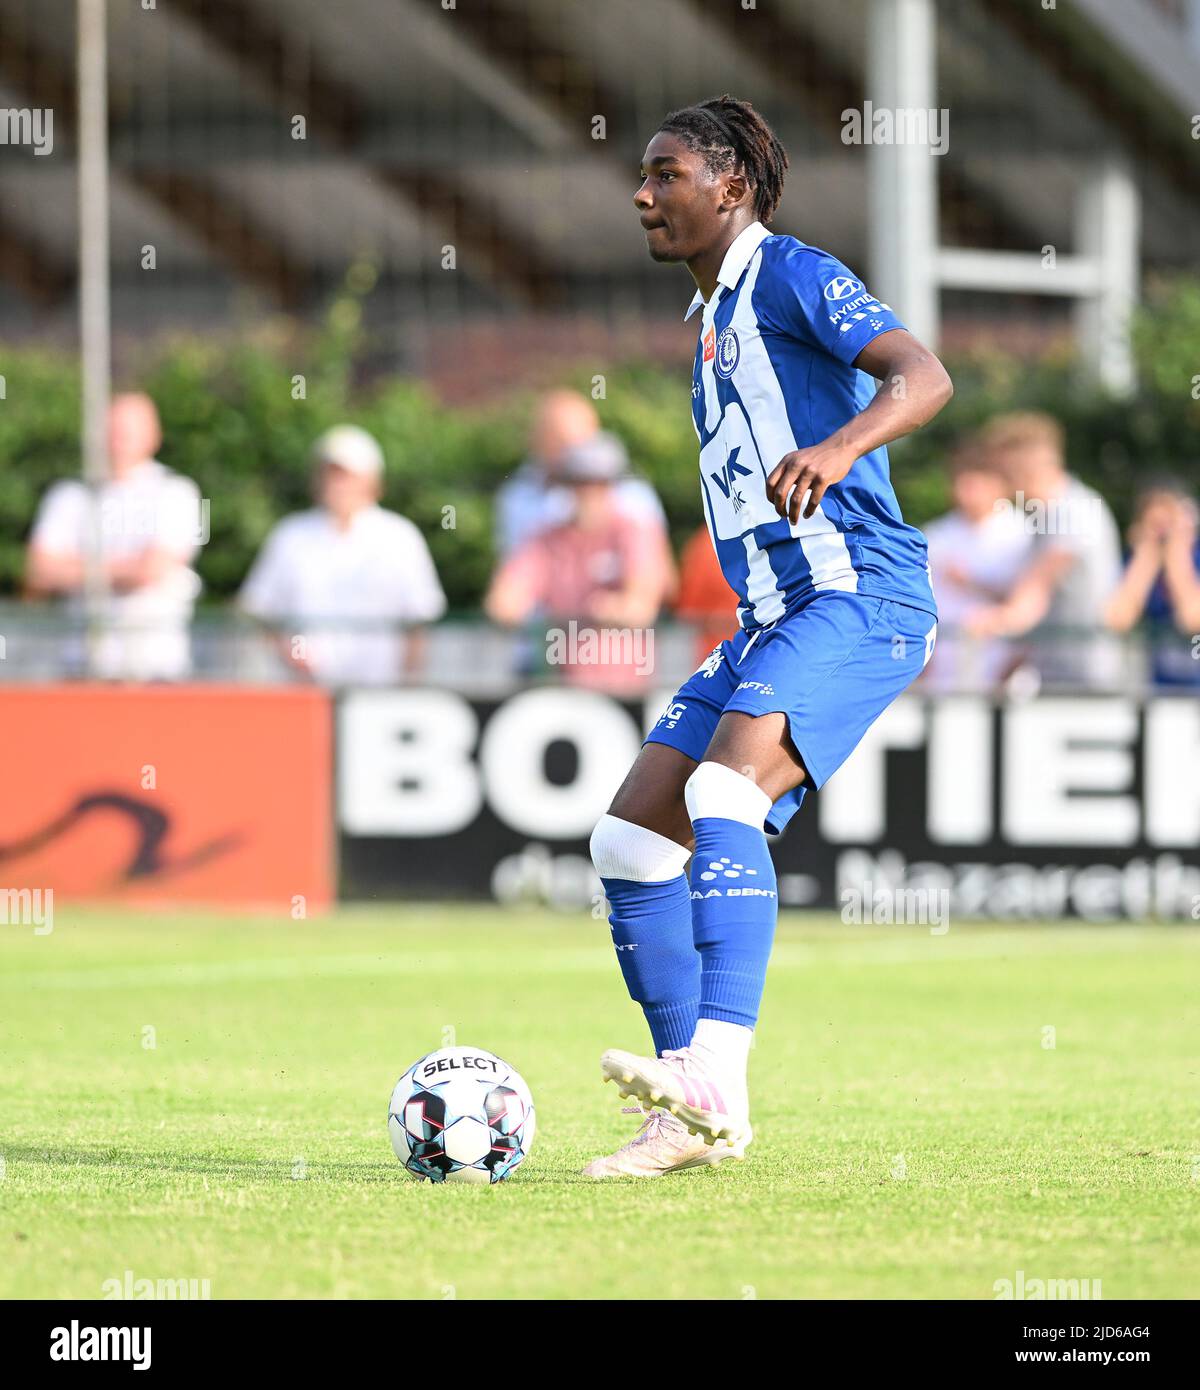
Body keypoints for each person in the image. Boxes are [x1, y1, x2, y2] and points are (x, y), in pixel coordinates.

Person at [583, 95, 952, 1178]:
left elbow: (923, 376)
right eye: (642, 177)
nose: (644, 194)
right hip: (774, 616)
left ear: (731, 186)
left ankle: (717, 1075)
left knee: (722, 796)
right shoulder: (706, 321)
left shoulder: (789, 272)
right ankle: (687, 1116)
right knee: (630, 842)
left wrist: (839, 450)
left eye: (666, 173)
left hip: (863, 595)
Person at [239, 425, 445, 686]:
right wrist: (290, 654)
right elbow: (259, 610)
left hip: (380, 693)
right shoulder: (290, 535)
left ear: (372, 481)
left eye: (346, 476)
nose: (336, 485)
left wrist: (406, 686)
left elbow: (419, 620)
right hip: (305, 694)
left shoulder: (401, 537)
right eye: (329, 474)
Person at [25, 392, 203, 680]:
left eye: (128, 430)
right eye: (113, 429)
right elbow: (39, 571)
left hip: (154, 667)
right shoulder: (69, 493)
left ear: (154, 435)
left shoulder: (177, 492)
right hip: (81, 665)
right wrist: (122, 568)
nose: (118, 438)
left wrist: (75, 568)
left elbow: (151, 570)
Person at [484, 432, 674, 694]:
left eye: (598, 483)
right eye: (580, 483)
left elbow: (641, 607)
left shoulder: (635, 531)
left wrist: (603, 610)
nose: (588, 493)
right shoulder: (546, 539)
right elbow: (504, 603)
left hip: (626, 688)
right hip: (560, 683)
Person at [965, 413, 1122, 688]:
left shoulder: (1074, 511)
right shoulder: (1047, 517)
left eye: (1004, 471)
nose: (1000, 481)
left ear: (1026, 465)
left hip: (1088, 679)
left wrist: (989, 623)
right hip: (1060, 675)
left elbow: (1032, 598)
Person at [494, 389, 667, 557]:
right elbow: (515, 567)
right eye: (554, 440)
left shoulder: (632, 496)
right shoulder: (518, 495)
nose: (566, 453)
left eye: (572, 442)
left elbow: (650, 568)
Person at [922, 438, 1031, 691]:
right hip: (942, 676)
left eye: (976, 483)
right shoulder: (935, 535)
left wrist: (972, 583)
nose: (966, 492)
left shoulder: (1022, 535)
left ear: (999, 485)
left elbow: (1028, 603)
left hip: (1005, 676)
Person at [1105, 475, 1200, 688]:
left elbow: (1192, 620)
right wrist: (1145, 560)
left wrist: (1177, 558)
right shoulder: (1138, 564)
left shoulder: (1195, 559)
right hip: (1155, 693)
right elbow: (1117, 620)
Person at [674, 523, 740, 664]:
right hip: (723, 654)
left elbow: (687, 609)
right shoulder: (707, 542)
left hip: (717, 658)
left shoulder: (707, 541)